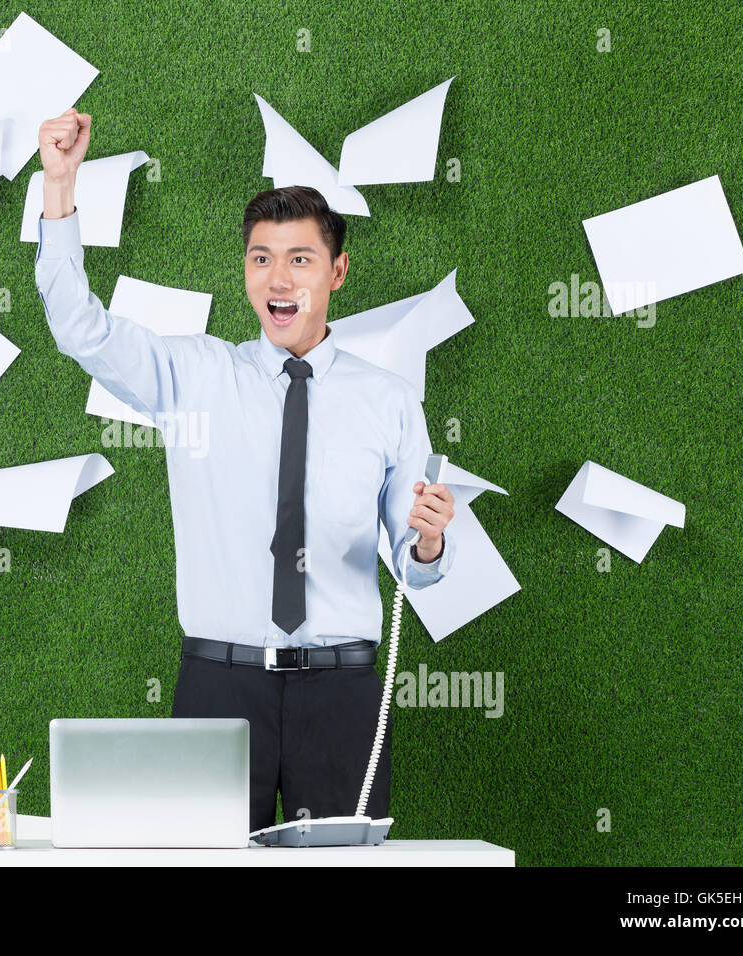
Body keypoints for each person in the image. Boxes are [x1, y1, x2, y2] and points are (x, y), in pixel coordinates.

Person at [34, 107, 457, 832]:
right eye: (262, 258)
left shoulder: (388, 401)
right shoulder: (191, 375)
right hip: (218, 683)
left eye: (300, 259)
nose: (278, 278)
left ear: (337, 272)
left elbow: (414, 565)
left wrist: (428, 540)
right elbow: (82, 326)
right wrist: (60, 187)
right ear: (246, 272)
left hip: (343, 689)